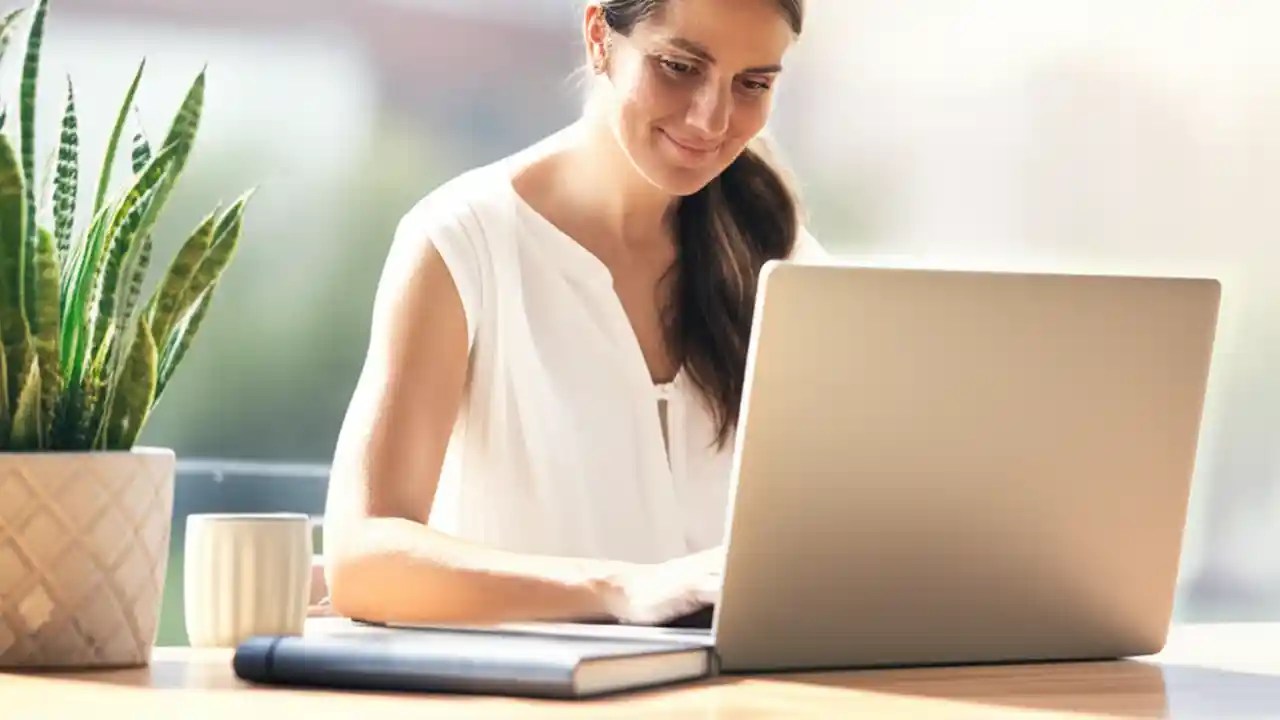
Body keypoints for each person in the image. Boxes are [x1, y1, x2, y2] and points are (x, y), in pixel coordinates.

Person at [322, 0, 824, 627]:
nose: (712, 117)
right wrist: (619, 588)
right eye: (678, 66)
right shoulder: (464, 243)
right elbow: (362, 558)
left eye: (753, 84)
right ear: (599, 37)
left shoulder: (779, 254)